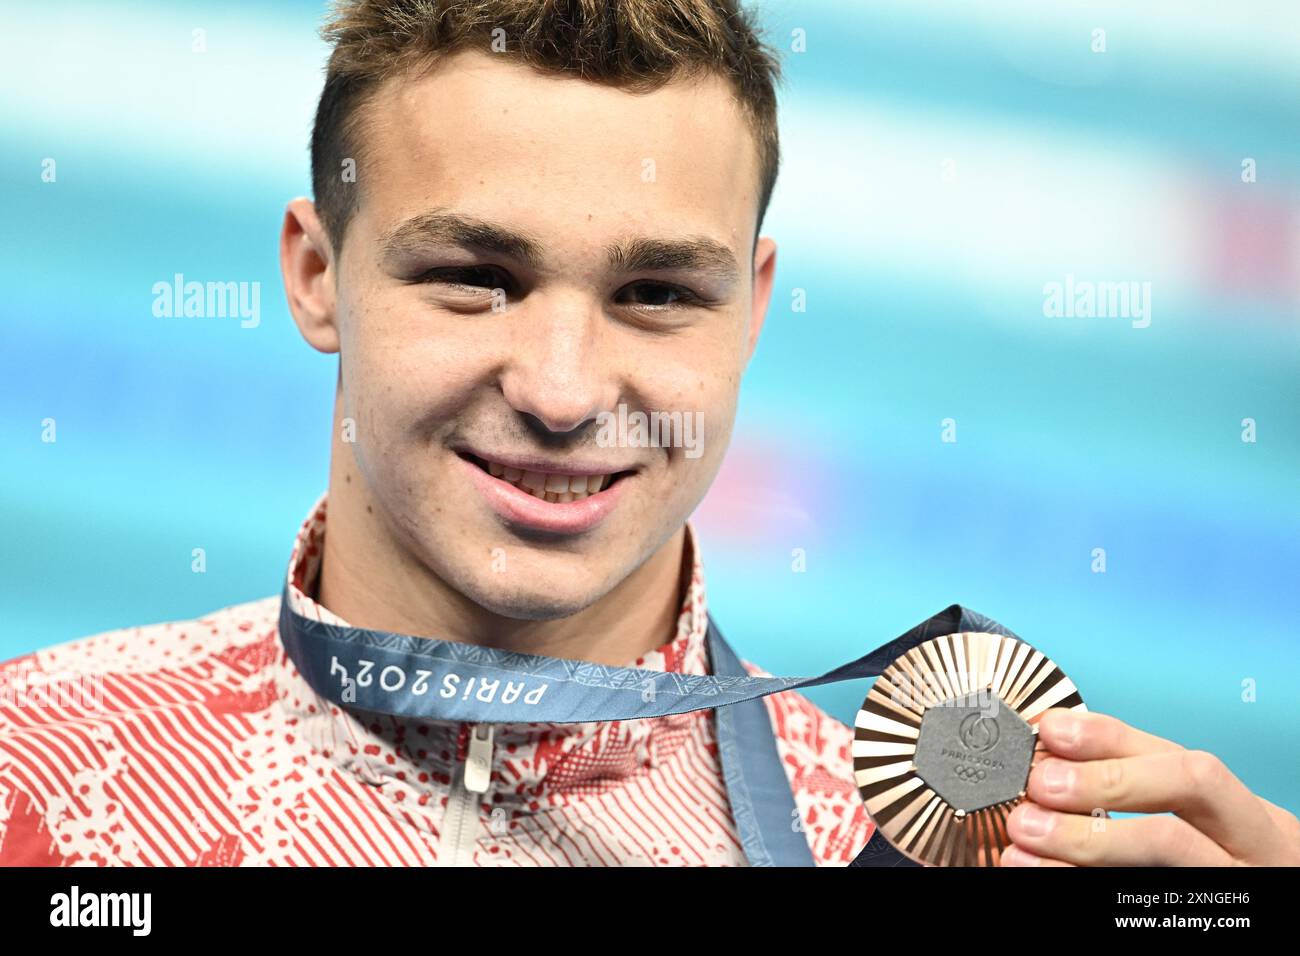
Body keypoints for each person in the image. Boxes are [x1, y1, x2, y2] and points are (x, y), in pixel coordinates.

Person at [2, 0, 1296, 868]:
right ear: (314, 274)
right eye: (475, 275)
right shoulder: (36, 779)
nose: (564, 391)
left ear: (754, 309)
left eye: (658, 294)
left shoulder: (906, 854)